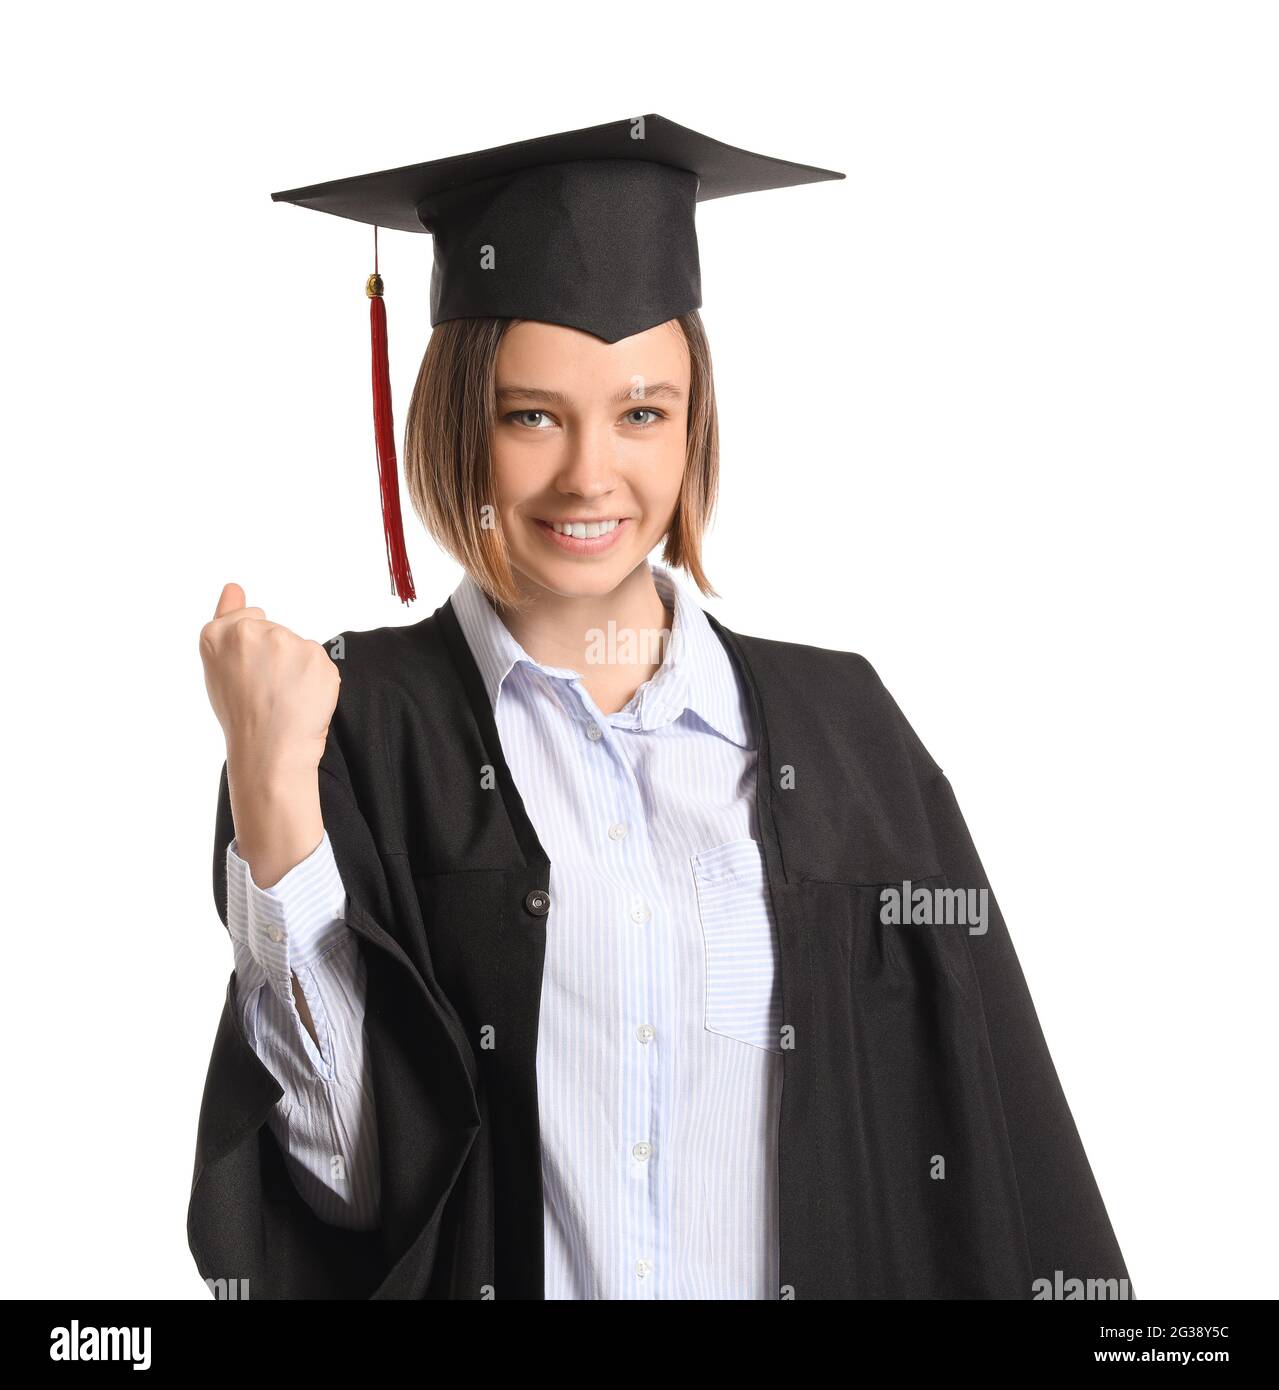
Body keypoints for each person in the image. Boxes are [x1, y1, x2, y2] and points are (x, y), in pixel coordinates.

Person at [190, 116, 1131, 1300]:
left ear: (693, 426)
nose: (591, 473)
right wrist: (271, 795)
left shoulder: (844, 732)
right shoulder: (358, 731)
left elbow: (988, 1143)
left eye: (642, 412)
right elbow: (350, 1185)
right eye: (532, 413)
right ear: (455, 421)